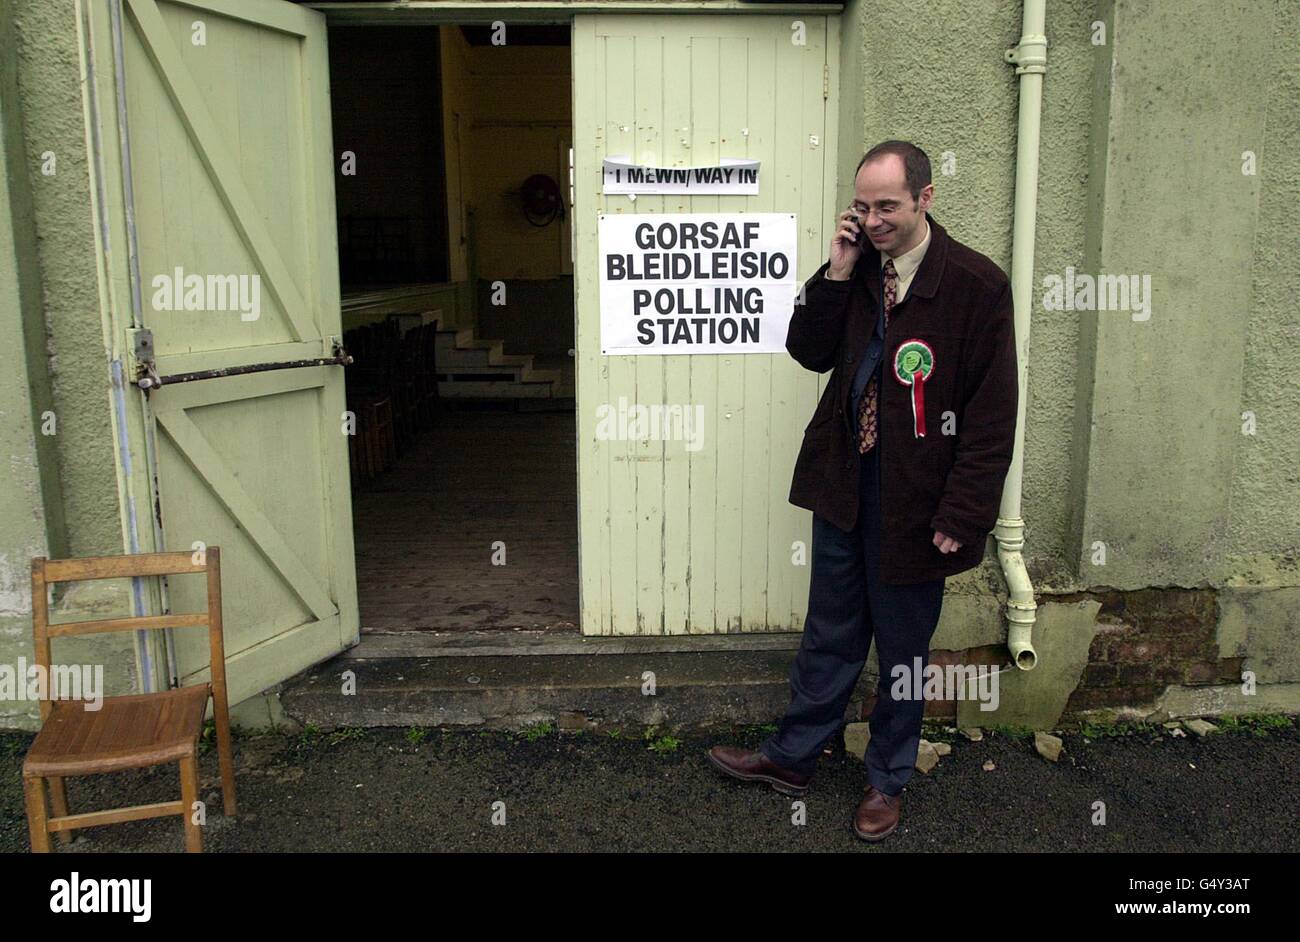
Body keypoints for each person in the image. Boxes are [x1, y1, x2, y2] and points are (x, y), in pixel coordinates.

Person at [707, 140, 1019, 841]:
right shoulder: (856, 270)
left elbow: (993, 415)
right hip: (847, 485)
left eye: (888, 208)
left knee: (904, 650)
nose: (873, 221)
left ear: (925, 200)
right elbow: (809, 350)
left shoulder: (975, 285)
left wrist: (964, 514)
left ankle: (886, 780)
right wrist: (837, 271)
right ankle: (792, 757)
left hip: (920, 504)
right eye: (863, 207)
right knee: (831, 633)